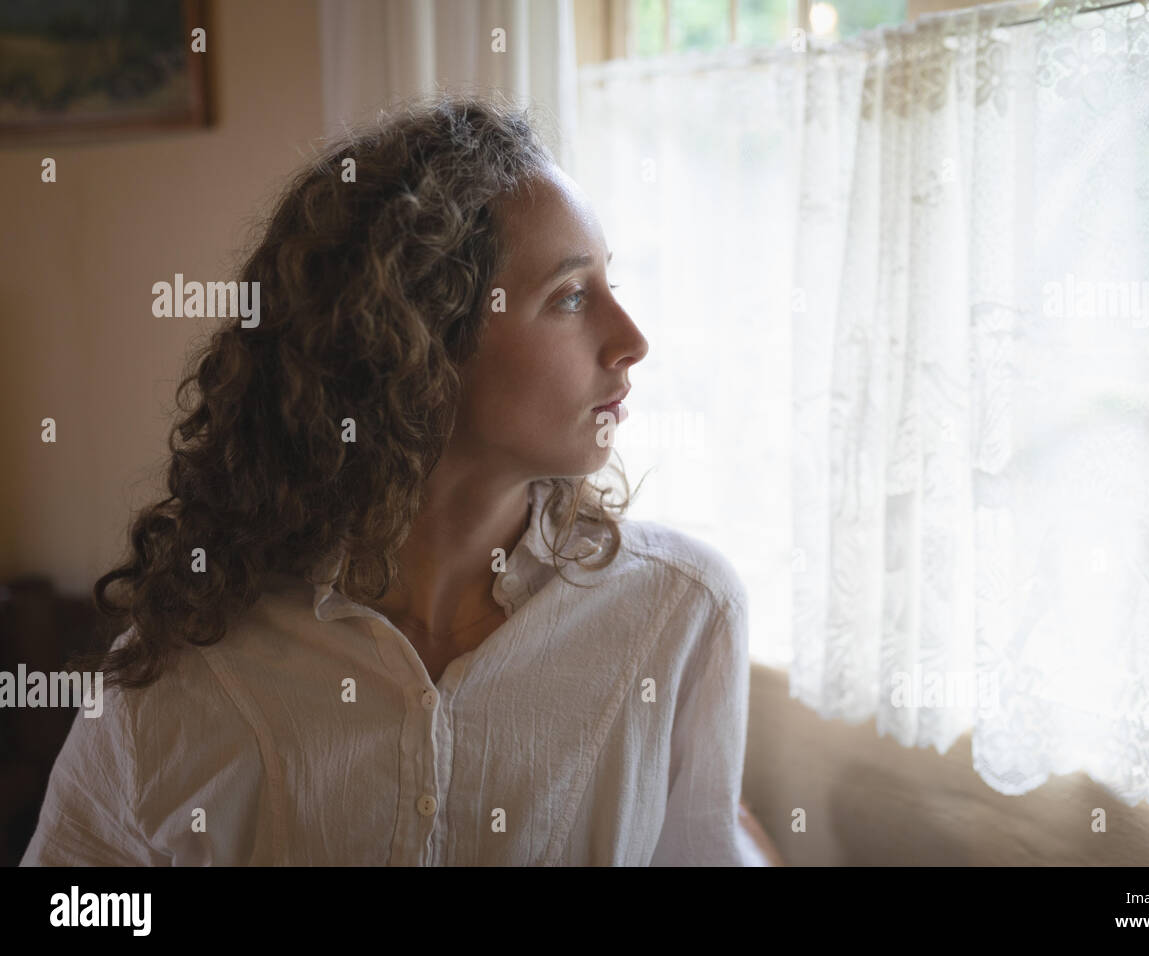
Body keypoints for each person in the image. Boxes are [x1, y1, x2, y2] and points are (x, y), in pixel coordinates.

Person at [20, 94, 756, 866]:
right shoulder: (188, 662)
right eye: (570, 297)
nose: (631, 340)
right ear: (415, 341)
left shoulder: (680, 614)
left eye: (609, 286)